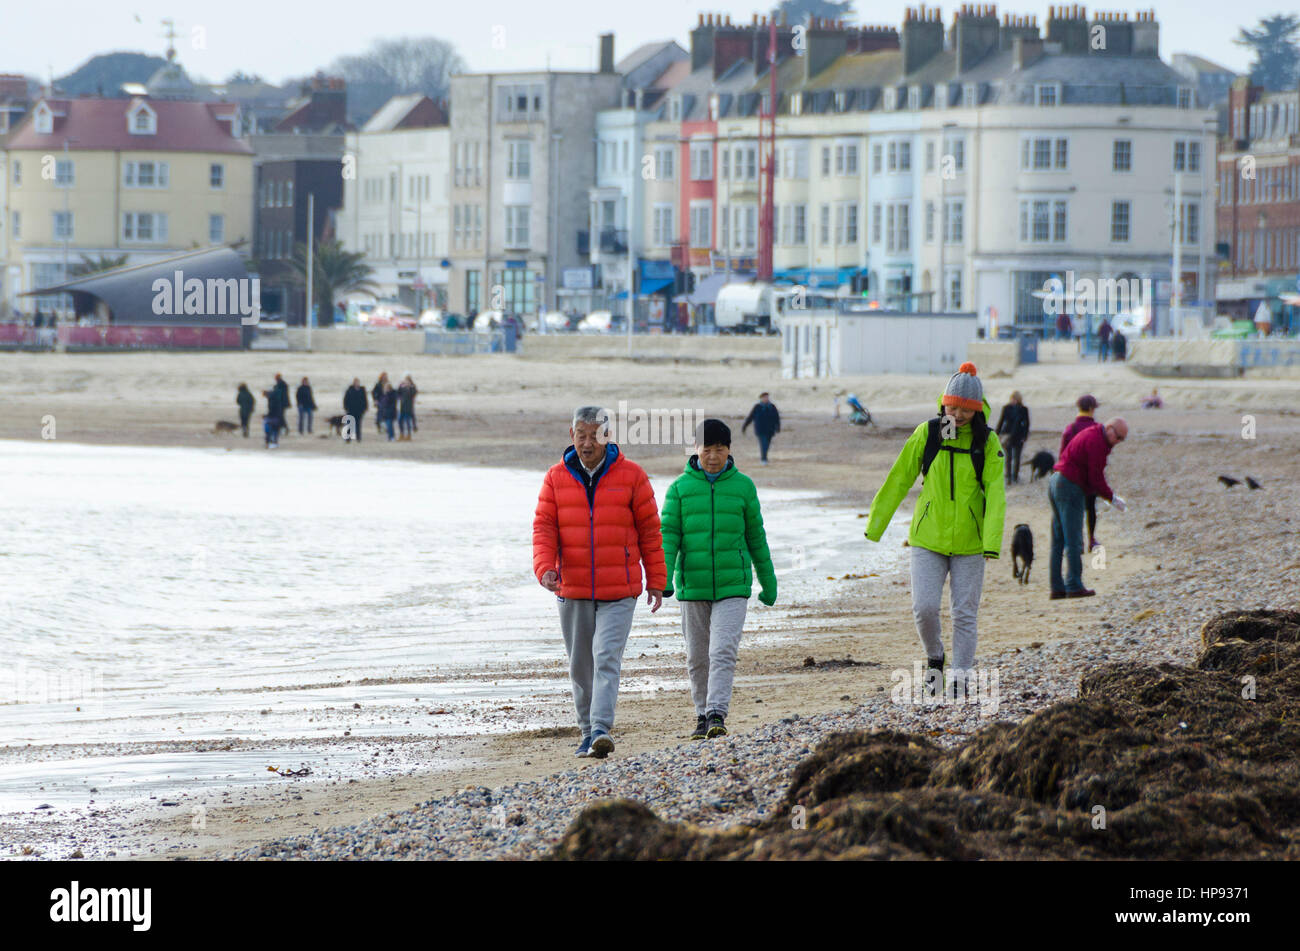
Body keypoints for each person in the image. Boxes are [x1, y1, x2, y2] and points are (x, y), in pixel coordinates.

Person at [532, 406, 667, 759]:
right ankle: (587, 730)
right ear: (571, 435)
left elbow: (651, 531)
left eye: (595, 435)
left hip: (619, 589)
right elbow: (544, 528)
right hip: (572, 588)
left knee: (605, 657)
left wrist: (656, 579)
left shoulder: (633, 476)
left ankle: (601, 729)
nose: (588, 443)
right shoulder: (555, 478)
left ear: (607, 436)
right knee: (580, 664)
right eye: (582, 435)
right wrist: (545, 567)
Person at [865, 363, 1005, 693]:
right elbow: (899, 478)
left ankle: (959, 677)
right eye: (951, 407)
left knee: (964, 612)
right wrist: (876, 524)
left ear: (977, 409)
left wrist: (991, 541)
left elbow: (996, 494)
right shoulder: (929, 433)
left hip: (970, 543)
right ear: (943, 403)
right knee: (924, 608)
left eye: (964, 410)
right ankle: (935, 657)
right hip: (927, 538)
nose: (956, 415)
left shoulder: (987, 441)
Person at [660, 419, 776, 741]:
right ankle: (701, 714)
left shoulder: (743, 487)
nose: (713, 455)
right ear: (696, 450)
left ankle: (716, 713)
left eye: (720, 449)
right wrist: (663, 577)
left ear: (729, 450)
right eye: (707, 448)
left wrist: (768, 581)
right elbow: (668, 537)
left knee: (723, 649)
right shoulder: (679, 490)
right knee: (697, 656)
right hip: (692, 586)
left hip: (733, 586)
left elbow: (756, 537)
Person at [1049, 417, 1128, 599]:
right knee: (1074, 539)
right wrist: (1112, 498)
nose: (1118, 443)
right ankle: (1073, 585)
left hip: (1056, 480)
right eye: (1118, 437)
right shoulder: (1097, 442)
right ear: (1109, 429)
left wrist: (1107, 495)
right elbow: (1096, 477)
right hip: (1069, 485)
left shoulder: (1093, 434)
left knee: (1059, 539)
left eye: (1122, 439)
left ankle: (1057, 587)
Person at [1060, 395, 1102, 551]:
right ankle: (1091, 539)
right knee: (1091, 509)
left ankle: (1078, 542)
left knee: (1075, 510)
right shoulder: (1098, 429)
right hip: (1090, 477)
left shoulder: (1070, 429)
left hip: (1072, 477)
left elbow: (1062, 454)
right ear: (1092, 409)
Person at [995, 391, 1030, 485]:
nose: (1013, 401)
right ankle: (1009, 477)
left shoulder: (1023, 409)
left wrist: (1025, 436)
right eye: (1012, 399)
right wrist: (996, 434)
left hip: (1019, 436)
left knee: (1017, 457)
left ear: (1018, 399)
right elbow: (1001, 421)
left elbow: (1027, 424)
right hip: (1007, 435)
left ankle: (1015, 476)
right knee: (1008, 457)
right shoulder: (1006, 408)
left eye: (1014, 399)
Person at [741, 392, 781, 466]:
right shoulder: (757, 407)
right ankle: (764, 459)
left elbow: (777, 418)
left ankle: (764, 457)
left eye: (767, 397)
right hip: (760, 430)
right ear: (761, 398)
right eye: (764, 397)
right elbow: (750, 417)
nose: (766, 399)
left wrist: (778, 427)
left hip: (770, 430)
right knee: (763, 444)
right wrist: (745, 426)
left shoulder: (772, 407)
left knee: (767, 444)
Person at [342, 378, 368, 442]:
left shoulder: (362, 390)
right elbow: (345, 400)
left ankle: (358, 438)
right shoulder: (349, 390)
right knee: (350, 424)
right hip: (350, 410)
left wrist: (365, 408)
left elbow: (365, 400)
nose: (357, 383)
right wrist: (346, 408)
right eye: (356, 382)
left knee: (358, 424)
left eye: (358, 382)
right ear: (353, 383)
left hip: (359, 410)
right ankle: (348, 438)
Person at [397, 375, 418, 440]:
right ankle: (402, 434)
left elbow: (413, 394)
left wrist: (409, 387)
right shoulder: (402, 388)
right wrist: (400, 386)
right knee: (400, 421)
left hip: (409, 408)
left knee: (407, 421)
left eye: (408, 381)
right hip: (402, 408)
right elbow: (397, 393)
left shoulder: (412, 388)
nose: (406, 383)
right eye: (405, 381)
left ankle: (409, 435)